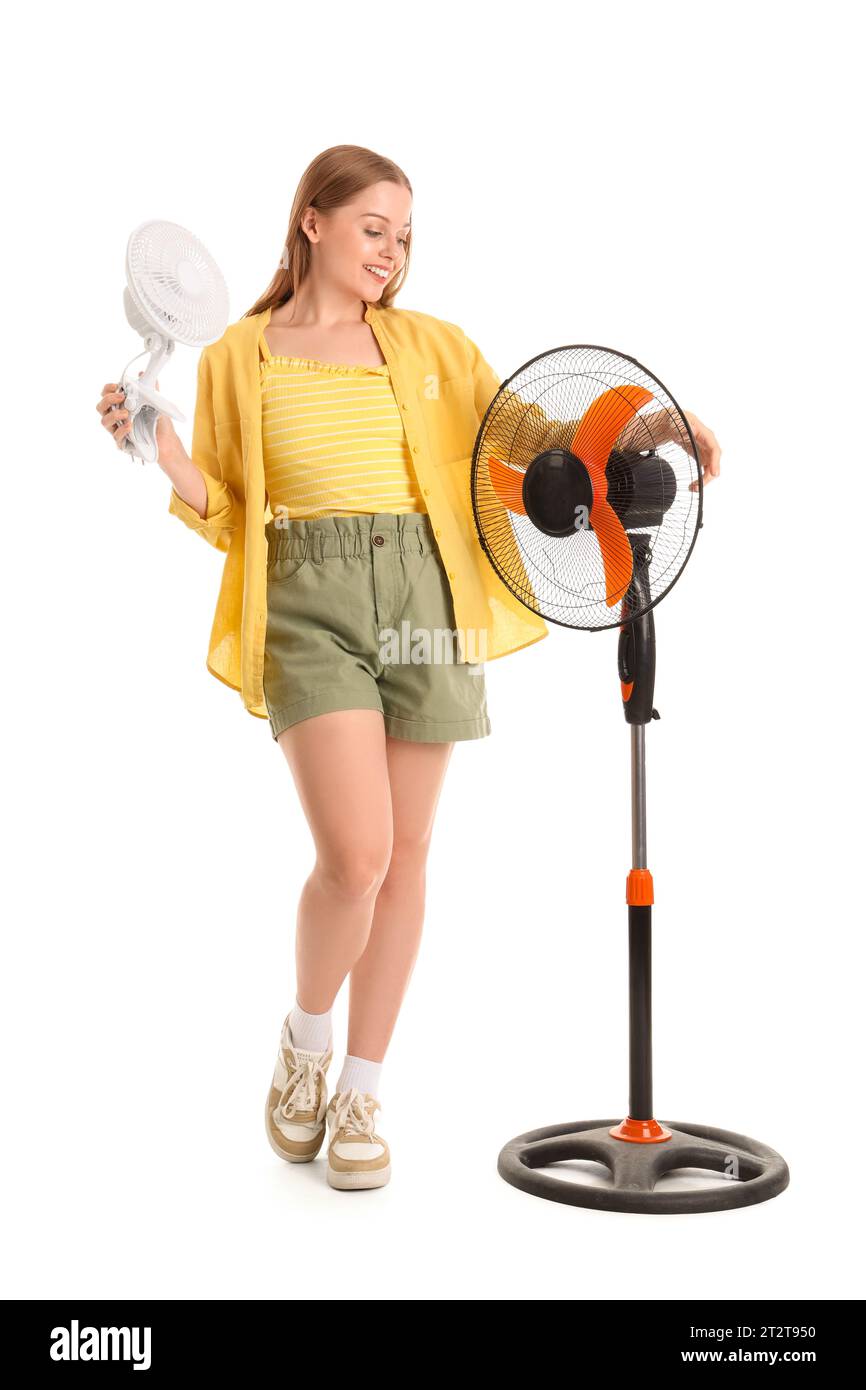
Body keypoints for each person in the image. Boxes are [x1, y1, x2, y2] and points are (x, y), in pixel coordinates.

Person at [97, 144, 722, 1194]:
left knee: (408, 854)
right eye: (372, 226)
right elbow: (232, 510)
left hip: (425, 593)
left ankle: (363, 1089)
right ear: (313, 221)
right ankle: (304, 1044)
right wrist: (161, 458)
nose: (390, 249)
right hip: (309, 600)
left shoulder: (431, 345)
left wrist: (651, 423)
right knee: (355, 856)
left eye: (403, 234)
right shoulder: (238, 355)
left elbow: (534, 444)